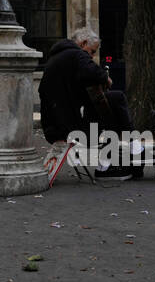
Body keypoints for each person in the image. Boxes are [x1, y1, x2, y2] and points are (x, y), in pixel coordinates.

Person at [38, 27, 136, 180]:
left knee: (108, 107)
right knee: (117, 99)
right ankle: (127, 149)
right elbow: (91, 71)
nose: (92, 56)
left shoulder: (58, 58)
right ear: (83, 44)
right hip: (68, 127)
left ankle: (110, 161)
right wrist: (106, 78)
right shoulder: (76, 54)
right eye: (92, 51)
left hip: (54, 126)